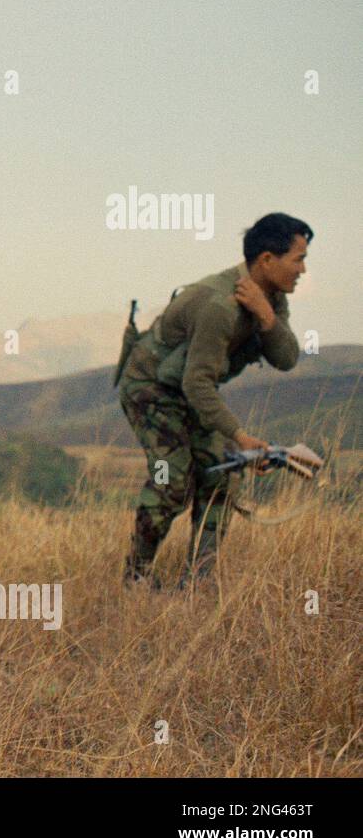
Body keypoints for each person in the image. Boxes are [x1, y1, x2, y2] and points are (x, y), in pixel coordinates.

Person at [117, 213, 312, 586]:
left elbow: (286, 359)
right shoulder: (219, 305)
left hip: (189, 389)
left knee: (223, 470)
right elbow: (197, 385)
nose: (302, 269)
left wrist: (267, 315)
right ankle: (136, 579)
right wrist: (239, 435)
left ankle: (199, 582)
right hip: (150, 390)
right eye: (298, 259)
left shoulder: (269, 296)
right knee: (171, 480)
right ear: (267, 260)